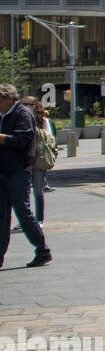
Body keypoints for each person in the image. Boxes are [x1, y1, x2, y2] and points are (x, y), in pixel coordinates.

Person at [0, 84, 52, 268]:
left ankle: (42, 250)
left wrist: (1, 137)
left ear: (9, 99)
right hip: (2, 170)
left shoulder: (23, 114)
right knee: (1, 215)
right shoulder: (2, 114)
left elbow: (22, 140)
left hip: (18, 171)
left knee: (23, 211)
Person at [21, 97, 55, 226]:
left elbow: (50, 139)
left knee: (37, 190)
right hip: (24, 159)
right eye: (23, 104)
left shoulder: (43, 121)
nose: (24, 106)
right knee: (23, 192)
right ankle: (26, 220)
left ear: (35, 105)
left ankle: (39, 219)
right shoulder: (20, 119)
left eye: (27, 104)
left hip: (38, 159)